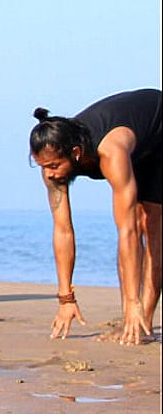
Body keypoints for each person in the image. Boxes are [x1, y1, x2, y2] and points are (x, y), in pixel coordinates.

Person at [29, 88, 162, 345]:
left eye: (54, 166)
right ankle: (130, 322)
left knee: (148, 223)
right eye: (42, 166)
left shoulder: (111, 152)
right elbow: (63, 230)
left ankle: (140, 321)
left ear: (76, 153)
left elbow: (127, 231)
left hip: (157, 132)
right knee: (135, 222)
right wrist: (66, 298)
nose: (50, 174)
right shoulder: (52, 163)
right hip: (135, 140)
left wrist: (134, 302)